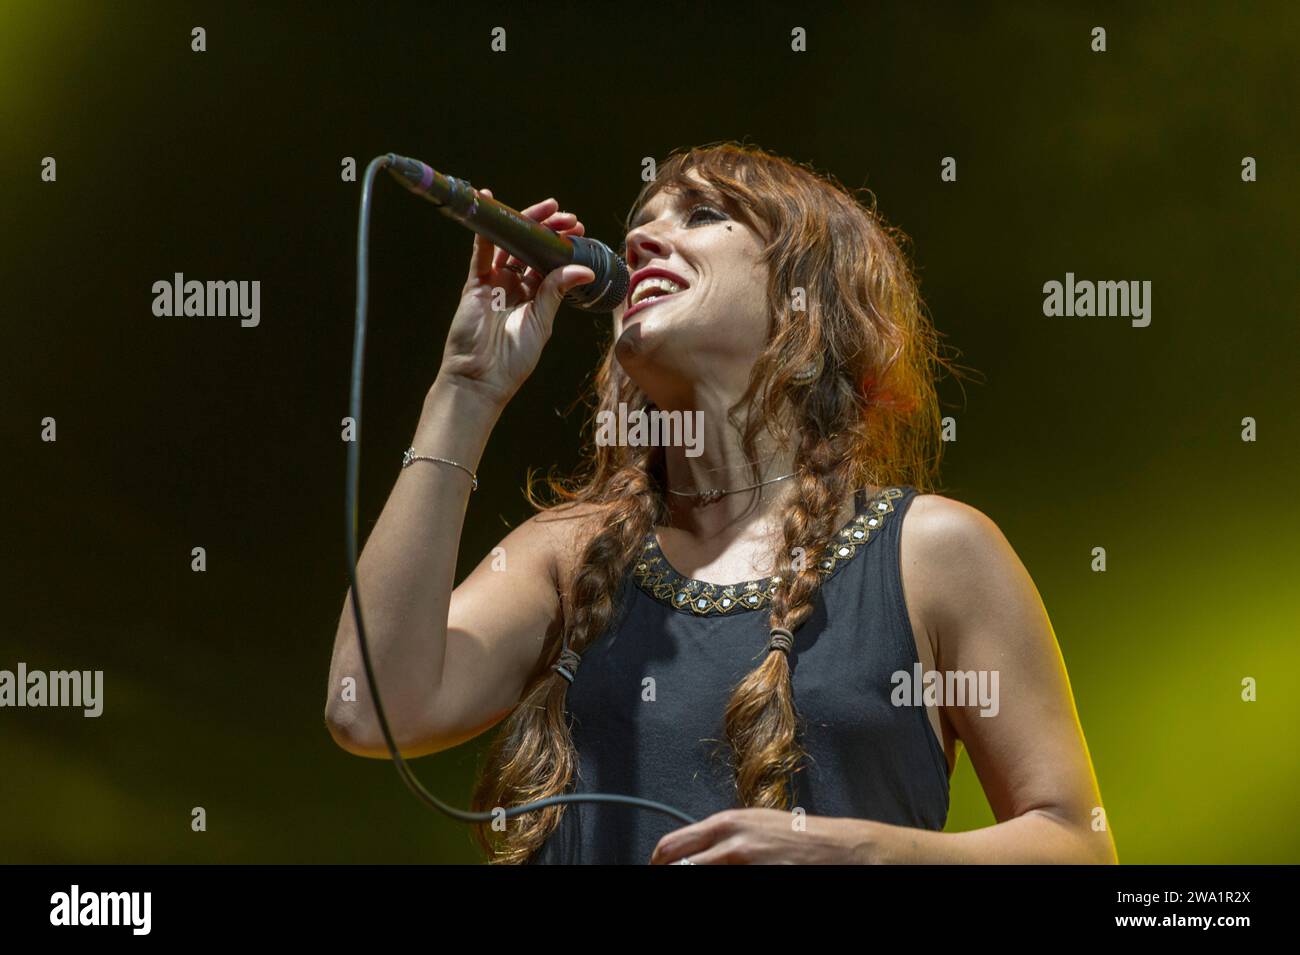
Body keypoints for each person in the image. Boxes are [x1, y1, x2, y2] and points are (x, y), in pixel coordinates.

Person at [324, 141, 1118, 866]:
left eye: (703, 216)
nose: (639, 239)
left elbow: (1076, 845)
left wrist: (855, 852)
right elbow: (370, 710)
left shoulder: (933, 550)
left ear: (807, 298)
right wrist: (466, 387)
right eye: (639, 224)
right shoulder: (569, 553)